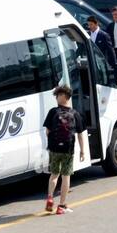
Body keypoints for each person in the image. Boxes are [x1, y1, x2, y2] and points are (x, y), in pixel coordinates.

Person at [42, 84, 86, 214]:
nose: (56, 98)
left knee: (54, 174)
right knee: (66, 176)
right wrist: (82, 151)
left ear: (63, 96)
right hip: (68, 149)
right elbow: (80, 134)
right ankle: (61, 206)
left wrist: (53, 143)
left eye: (57, 95)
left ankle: (50, 198)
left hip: (54, 149)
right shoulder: (75, 114)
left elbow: (47, 131)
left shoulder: (53, 112)